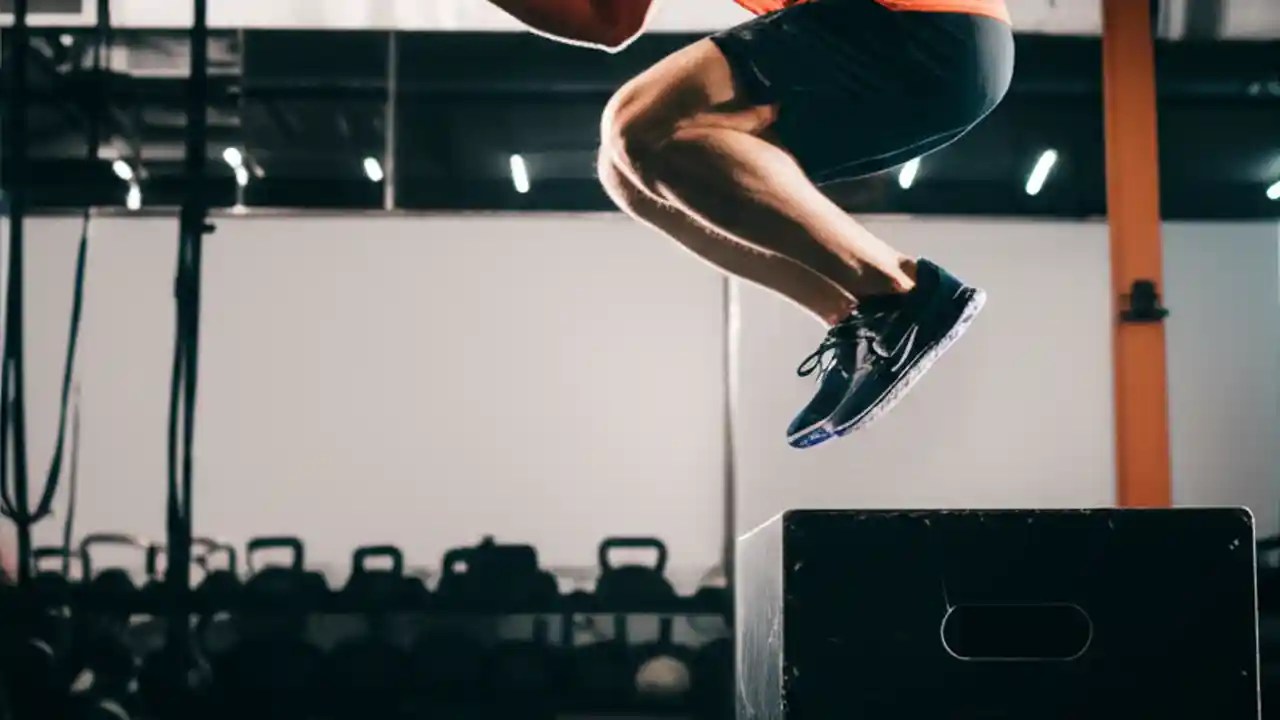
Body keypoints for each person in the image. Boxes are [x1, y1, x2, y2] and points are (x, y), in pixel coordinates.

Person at [486, 0, 1014, 448]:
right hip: (940, 65)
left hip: (919, 25)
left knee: (639, 122)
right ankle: (858, 318)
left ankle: (904, 291)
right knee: (627, 170)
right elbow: (609, 21)